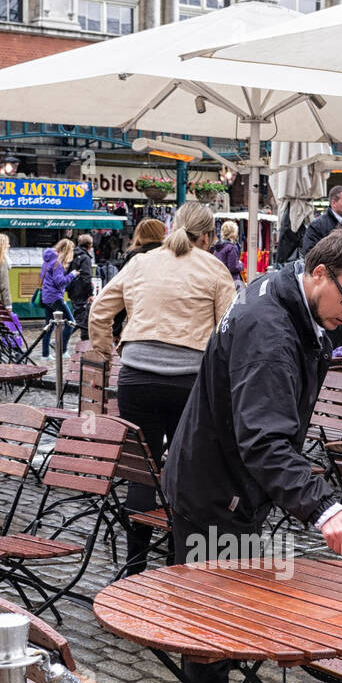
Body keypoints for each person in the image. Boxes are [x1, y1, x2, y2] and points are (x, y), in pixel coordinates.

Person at [162, 226, 342, 683]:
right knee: (213, 612)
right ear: (319, 273)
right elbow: (264, 442)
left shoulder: (287, 295)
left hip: (226, 481)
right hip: (215, 488)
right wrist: (325, 511)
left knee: (219, 605)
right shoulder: (271, 329)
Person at [88, 201, 235, 574]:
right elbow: (228, 334)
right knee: (185, 471)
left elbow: (99, 312)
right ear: (207, 236)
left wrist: (107, 353)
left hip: (136, 377)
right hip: (188, 382)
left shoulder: (141, 262)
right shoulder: (215, 268)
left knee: (142, 469)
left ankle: (136, 564)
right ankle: (176, 562)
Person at [301, 187, 342, 350]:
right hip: (328, 288)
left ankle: (337, 364)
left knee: (341, 334)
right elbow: (309, 255)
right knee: (327, 334)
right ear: (333, 203)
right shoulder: (318, 226)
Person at [112, 218, 165, 340]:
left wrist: (115, 329)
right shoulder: (171, 255)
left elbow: (120, 293)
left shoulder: (134, 257)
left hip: (139, 322)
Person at [39, 238, 78, 359]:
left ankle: (45, 354)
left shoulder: (47, 260)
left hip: (47, 296)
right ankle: (62, 350)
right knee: (71, 323)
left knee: (49, 326)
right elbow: (60, 282)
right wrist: (72, 274)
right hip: (55, 297)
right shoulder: (57, 263)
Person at [67, 233, 95, 338]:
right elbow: (86, 277)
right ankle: (60, 339)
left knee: (83, 316)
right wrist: (90, 293)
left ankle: (85, 339)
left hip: (73, 290)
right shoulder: (85, 258)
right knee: (81, 318)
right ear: (90, 245)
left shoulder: (72, 255)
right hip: (82, 291)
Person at [212, 219, 245, 289]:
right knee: (241, 298)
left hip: (220, 280)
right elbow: (233, 267)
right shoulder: (231, 247)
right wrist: (241, 265)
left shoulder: (218, 246)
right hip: (232, 281)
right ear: (233, 233)